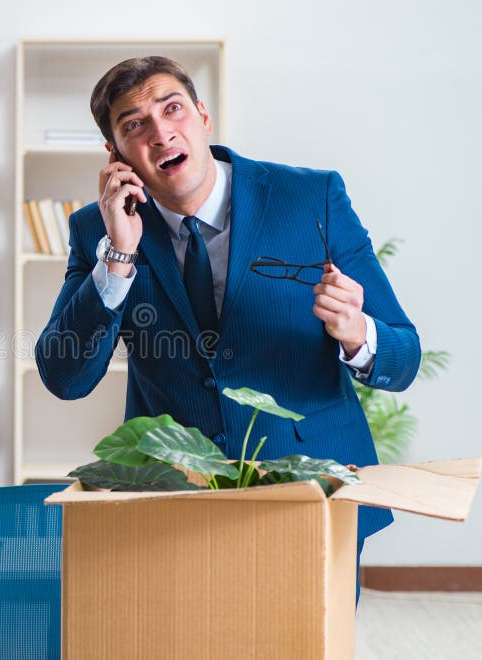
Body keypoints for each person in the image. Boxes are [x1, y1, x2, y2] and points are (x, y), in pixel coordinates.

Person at [35, 56, 421, 603]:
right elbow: (64, 376)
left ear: (203, 117)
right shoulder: (97, 227)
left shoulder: (311, 199)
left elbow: (403, 358)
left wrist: (358, 334)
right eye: (134, 124)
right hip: (172, 496)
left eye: (172, 109)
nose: (161, 131)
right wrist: (118, 256)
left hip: (310, 491)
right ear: (115, 154)